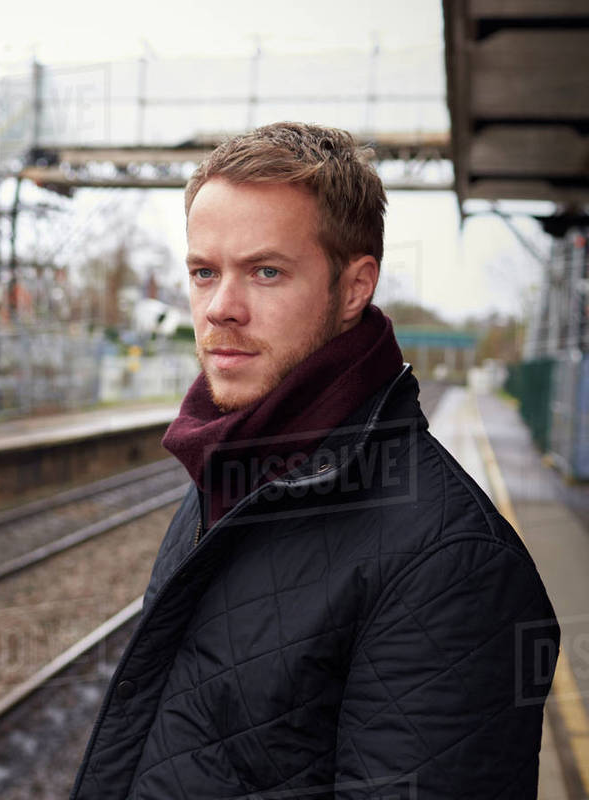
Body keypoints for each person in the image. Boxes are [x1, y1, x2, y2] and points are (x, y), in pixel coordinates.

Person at [70, 122, 559, 799]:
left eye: (266, 272)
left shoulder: (453, 564)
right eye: (204, 272)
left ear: (355, 287)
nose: (220, 309)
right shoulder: (228, 465)